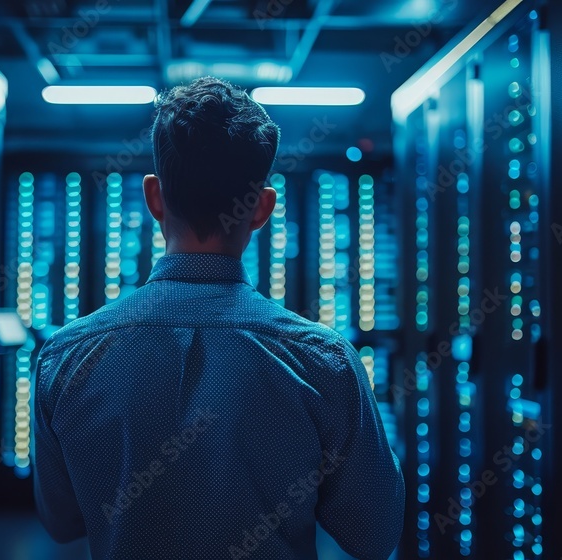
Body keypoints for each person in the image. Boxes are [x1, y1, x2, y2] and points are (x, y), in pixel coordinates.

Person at [33, 76, 404, 560]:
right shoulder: (324, 362)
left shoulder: (66, 357)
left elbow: (61, 523)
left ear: (154, 197)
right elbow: (374, 535)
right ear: (262, 208)